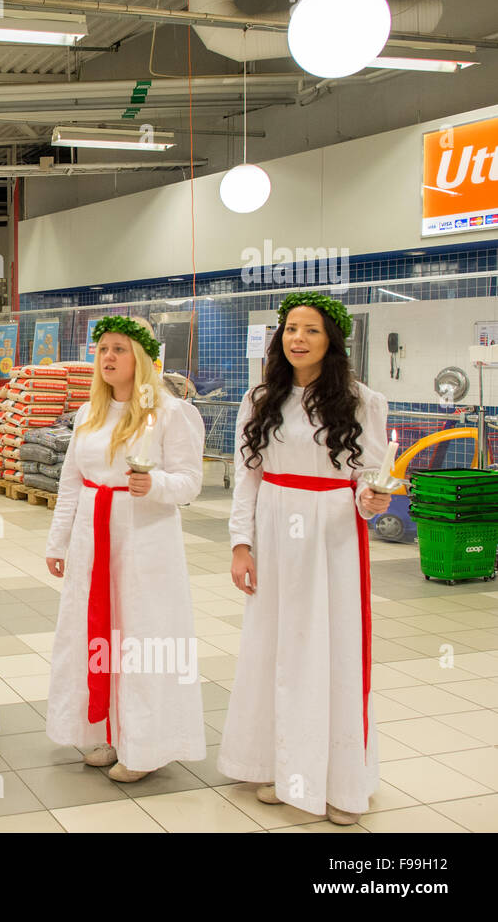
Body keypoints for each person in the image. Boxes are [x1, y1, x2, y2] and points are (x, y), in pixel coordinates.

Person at [218, 292, 391, 826]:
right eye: (291, 328)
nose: (298, 338)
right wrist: (240, 544)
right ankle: (284, 767)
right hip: (273, 529)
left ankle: (342, 781)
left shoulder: (363, 400)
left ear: (331, 340)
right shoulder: (261, 396)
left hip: (331, 535)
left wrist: (371, 498)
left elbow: (369, 477)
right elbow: (247, 477)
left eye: (311, 330)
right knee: (276, 649)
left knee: (333, 651)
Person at [44, 316, 206, 782]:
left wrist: (153, 483)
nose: (109, 357)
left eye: (119, 348)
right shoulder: (88, 413)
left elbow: (189, 483)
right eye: (103, 349)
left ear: (141, 356)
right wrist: (58, 541)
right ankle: (108, 729)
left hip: (144, 539)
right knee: (95, 632)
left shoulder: (170, 413)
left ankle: (146, 745)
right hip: (94, 538)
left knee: (140, 635)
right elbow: (72, 482)